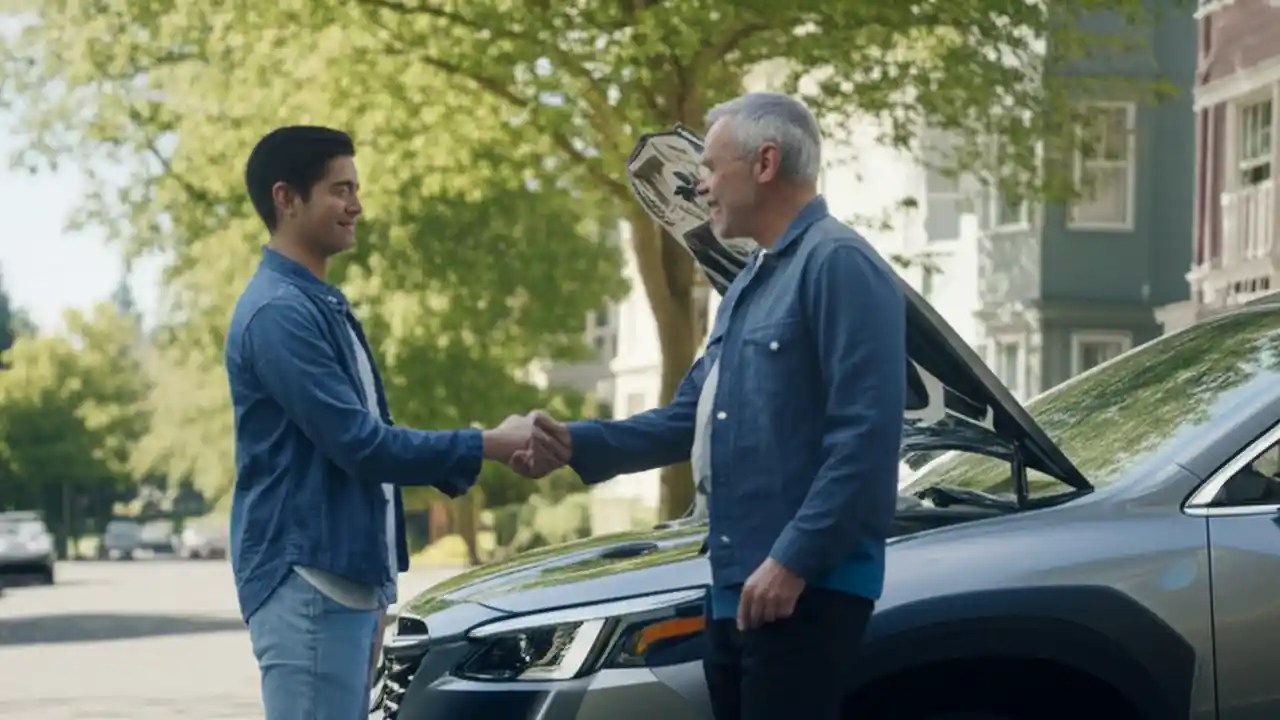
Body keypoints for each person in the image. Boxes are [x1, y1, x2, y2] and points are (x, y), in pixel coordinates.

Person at [514, 93, 906, 720]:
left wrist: (791, 561)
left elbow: (865, 440)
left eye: (711, 167)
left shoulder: (840, 265)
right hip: (736, 586)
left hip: (804, 588)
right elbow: (687, 418)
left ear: (766, 163)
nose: (699, 187)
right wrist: (577, 443)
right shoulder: (749, 282)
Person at [224, 125, 570, 720]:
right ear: (287, 199)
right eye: (339, 189)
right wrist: (489, 442)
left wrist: (378, 591)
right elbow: (361, 445)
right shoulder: (279, 314)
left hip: (342, 583)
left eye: (356, 188)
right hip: (309, 582)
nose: (356, 204)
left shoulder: (316, 303)